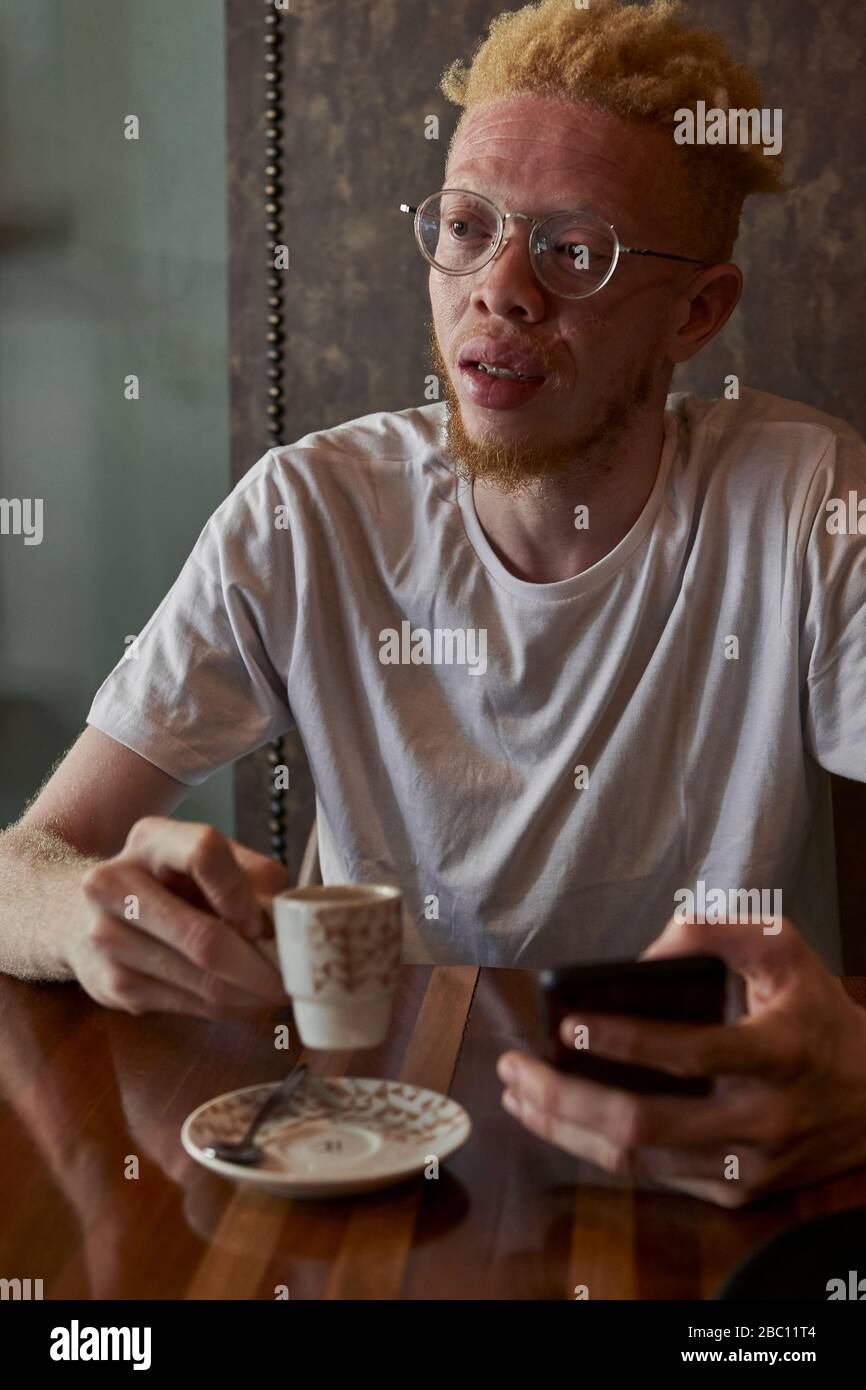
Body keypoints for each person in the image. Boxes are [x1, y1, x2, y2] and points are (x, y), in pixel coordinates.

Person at [2, 0, 865, 1206]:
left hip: (722, 1171)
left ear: (695, 312)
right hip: (378, 1166)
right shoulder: (308, 512)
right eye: (466, 227)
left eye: (577, 250)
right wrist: (79, 910)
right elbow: (19, 866)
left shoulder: (810, 505)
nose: (499, 290)